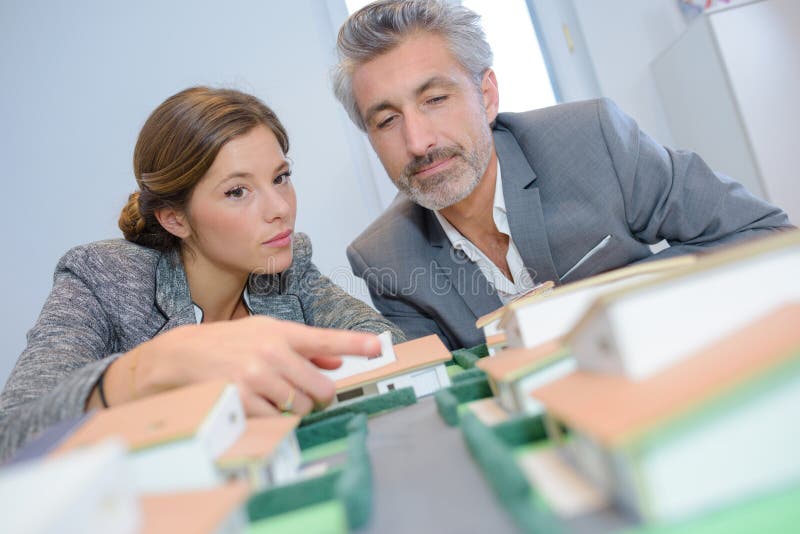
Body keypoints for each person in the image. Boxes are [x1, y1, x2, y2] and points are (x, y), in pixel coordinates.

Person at [332, 0, 794, 350]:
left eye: (435, 99)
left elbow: (766, 234)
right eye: (386, 120)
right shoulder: (382, 257)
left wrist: (580, 312)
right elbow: (443, 395)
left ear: (487, 97)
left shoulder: (592, 139)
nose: (417, 142)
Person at [0, 87, 404, 461]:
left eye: (280, 178)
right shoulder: (101, 277)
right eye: (237, 191)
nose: (279, 207)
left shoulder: (285, 263)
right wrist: (141, 371)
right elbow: (11, 434)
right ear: (175, 218)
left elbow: (386, 348)